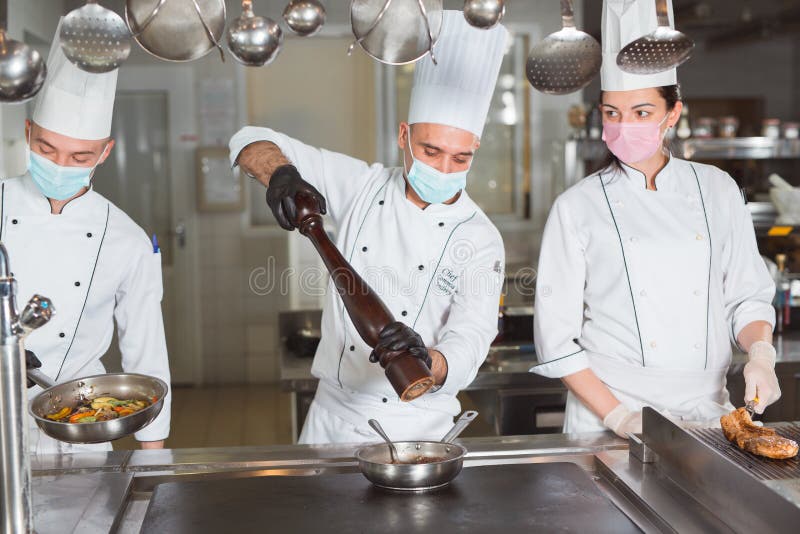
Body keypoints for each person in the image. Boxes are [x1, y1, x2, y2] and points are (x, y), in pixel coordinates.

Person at [230, 11, 508, 444]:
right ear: (404, 136)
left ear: (475, 149)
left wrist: (429, 359)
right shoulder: (362, 185)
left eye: (461, 158)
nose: (444, 168)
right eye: (430, 150)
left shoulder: (480, 237)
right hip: (333, 420)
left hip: (420, 426)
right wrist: (281, 172)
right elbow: (252, 139)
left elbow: (472, 335)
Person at [532, 0, 778, 437]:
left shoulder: (717, 188)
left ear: (673, 113)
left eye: (641, 112)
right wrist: (619, 417)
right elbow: (556, 339)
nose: (624, 126)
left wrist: (760, 353)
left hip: (707, 412)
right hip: (607, 413)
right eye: (612, 113)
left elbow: (747, 297)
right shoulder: (577, 206)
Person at [4, 21, 171, 454]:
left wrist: (153, 465)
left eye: (80, 156)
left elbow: (146, 350)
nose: (60, 166)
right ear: (27, 135)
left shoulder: (127, 239)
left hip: (79, 426)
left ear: (105, 152)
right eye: (45, 149)